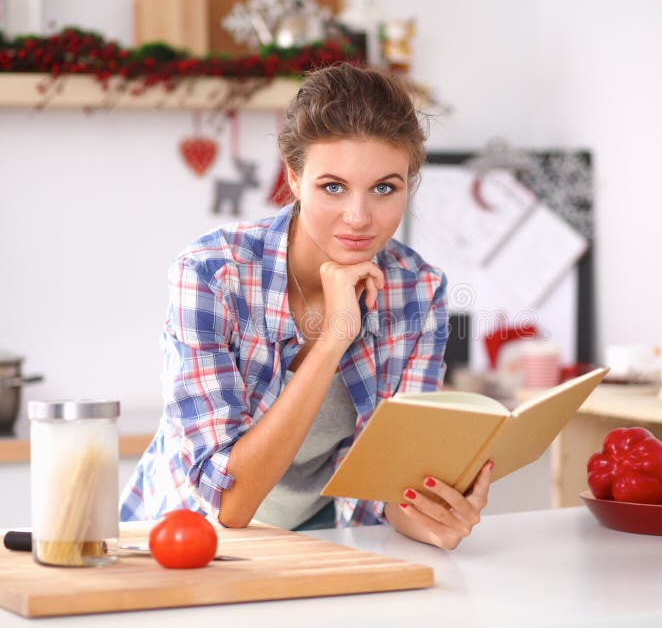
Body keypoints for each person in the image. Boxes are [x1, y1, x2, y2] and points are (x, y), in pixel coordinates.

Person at [119, 62, 493, 550]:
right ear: (294, 178)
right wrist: (335, 336)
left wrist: (430, 516)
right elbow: (227, 503)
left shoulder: (418, 291)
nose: (359, 218)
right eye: (332, 187)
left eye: (385, 188)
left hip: (325, 537)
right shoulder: (211, 274)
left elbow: (387, 483)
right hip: (191, 538)